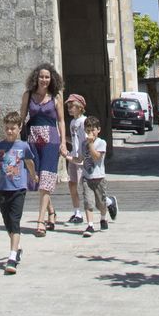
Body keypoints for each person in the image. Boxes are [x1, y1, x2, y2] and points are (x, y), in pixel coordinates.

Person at [0, 110, 39, 274]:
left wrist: (34, 176)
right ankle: (18, 248)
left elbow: (29, 162)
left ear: (19, 128)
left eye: (13, 128)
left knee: (14, 221)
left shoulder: (23, 146)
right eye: (7, 128)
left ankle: (12, 257)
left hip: (18, 189)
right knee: (7, 222)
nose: (9, 131)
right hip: (2, 189)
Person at [19, 62, 69, 236]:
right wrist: (15, 139)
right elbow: (22, 117)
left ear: (52, 79)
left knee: (47, 178)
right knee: (38, 179)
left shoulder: (56, 98)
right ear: (36, 77)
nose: (44, 80)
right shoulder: (28, 95)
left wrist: (63, 142)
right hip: (33, 140)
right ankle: (52, 211)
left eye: (47, 77)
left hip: (51, 142)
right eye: (41, 76)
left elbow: (61, 121)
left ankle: (40, 221)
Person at [80, 115, 117, 235]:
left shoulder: (102, 143)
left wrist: (90, 144)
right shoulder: (83, 144)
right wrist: (68, 156)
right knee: (88, 201)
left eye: (93, 130)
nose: (90, 133)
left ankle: (103, 217)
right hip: (87, 177)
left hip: (99, 178)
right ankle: (90, 225)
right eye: (88, 130)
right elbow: (81, 158)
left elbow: (96, 157)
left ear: (98, 130)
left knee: (100, 203)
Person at [64, 93, 87, 223]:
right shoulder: (72, 122)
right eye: (68, 106)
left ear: (79, 107)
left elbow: (85, 141)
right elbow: (75, 140)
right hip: (74, 156)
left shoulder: (84, 122)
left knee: (87, 187)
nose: (69, 108)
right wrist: (63, 140)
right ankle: (77, 212)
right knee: (72, 184)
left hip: (82, 158)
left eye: (72, 105)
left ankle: (107, 202)